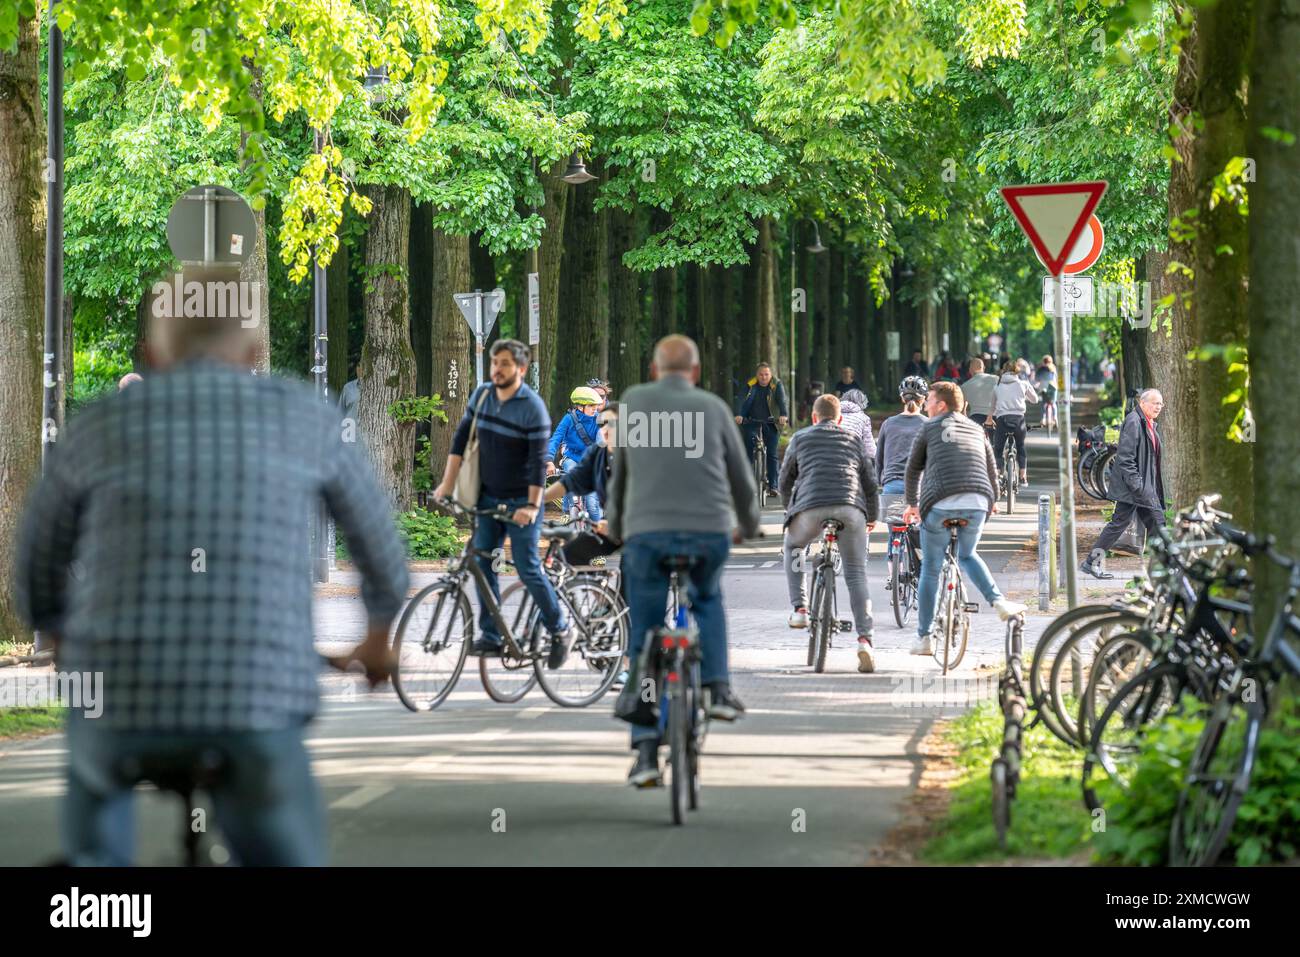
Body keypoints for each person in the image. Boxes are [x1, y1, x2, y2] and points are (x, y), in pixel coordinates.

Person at [15, 266, 410, 866]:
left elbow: (38, 558)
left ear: (150, 354)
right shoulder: (307, 418)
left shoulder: (97, 425)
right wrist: (378, 639)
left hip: (117, 696)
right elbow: (381, 550)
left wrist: (60, 634)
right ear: (253, 352)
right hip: (257, 696)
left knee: (96, 821)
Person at [607, 335, 760, 787]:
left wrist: (617, 527)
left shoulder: (633, 402)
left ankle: (647, 751)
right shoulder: (713, 408)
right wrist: (748, 524)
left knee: (646, 636)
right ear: (694, 373)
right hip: (708, 533)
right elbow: (742, 480)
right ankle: (716, 688)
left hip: (646, 536)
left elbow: (621, 477)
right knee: (707, 597)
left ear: (654, 370)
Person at [433, 339, 571, 665]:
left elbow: (538, 462)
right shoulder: (482, 395)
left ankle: (559, 627)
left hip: (523, 499)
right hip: (489, 496)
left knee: (527, 566)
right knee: (484, 563)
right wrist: (447, 484)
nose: (498, 369)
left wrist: (533, 507)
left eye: (506, 363)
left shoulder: (531, 407)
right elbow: (460, 440)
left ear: (521, 369)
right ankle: (492, 636)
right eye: (495, 362)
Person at [901, 381, 1026, 655]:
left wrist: (912, 505)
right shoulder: (976, 428)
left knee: (931, 570)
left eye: (929, 400)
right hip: (977, 500)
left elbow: (912, 470)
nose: (925, 405)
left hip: (940, 501)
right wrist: (991, 500)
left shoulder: (929, 427)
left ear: (941, 405)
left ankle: (924, 638)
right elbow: (992, 469)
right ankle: (999, 602)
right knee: (968, 555)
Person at [780, 394, 880, 673]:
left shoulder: (800, 438)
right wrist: (872, 517)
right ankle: (864, 640)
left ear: (814, 417)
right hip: (850, 509)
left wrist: (791, 510)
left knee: (794, 547)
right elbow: (870, 483)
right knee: (856, 574)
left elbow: (784, 478)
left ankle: (800, 608)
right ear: (839, 419)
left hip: (810, 509)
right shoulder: (854, 440)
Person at [1081, 389, 1167, 579]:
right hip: (1135, 489)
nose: (1158, 407)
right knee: (1147, 525)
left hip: (1142, 488)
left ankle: (1160, 570)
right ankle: (1162, 571)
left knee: (1156, 525)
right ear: (1143, 403)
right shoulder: (1134, 421)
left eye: (1161, 404)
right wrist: (1138, 486)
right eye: (1155, 403)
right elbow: (1125, 458)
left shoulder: (1148, 423)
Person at [543, 404, 618, 568]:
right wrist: (535, 501)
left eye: (612, 424)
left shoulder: (636, 453)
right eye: (602, 424)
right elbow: (570, 482)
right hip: (614, 526)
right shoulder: (598, 453)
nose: (606, 429)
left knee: (633, 574)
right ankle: (586, 589)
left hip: (640, 525)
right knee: (565, 558)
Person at [545, 385, 604, 521]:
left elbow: (602, 444)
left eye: (596, 405)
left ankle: (598, 537)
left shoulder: (599, 420)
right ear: (580, 406)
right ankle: (568, 510)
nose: (595, 408)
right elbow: (555, 439)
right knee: (571, 472)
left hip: (591, 461)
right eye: (591, 406)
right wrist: (548, 460)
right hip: (572, 458)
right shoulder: (568, 419)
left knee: (592, 506)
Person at [735, 361, 789, 497]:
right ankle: (745, 484)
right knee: (748, 452)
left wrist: (783, 415)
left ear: (771, 375)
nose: (764, 377)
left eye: (766, 374)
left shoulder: (776, 385)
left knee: (772, 454)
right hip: (751, 422)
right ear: (757, 375)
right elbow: (741, 399)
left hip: (771, 423)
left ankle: (773, 486)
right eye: (761, 374)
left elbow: (782, 401)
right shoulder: (750, 384)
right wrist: (739, 414)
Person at [991, 360, 1040, 486]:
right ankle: (1023, 477)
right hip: (1019, 421)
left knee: (998, 449)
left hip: (1002, 420)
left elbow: (992, 407)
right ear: (1017, 371)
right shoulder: (1023, 384)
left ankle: (998, 475)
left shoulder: (997, 386)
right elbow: (1034, 400)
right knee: (1021, 446)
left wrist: (988, 419)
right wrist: (1025, 392)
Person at [837, 387, 876, 461]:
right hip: (851, 456)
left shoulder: (834, 414)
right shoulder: (864, 418)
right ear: (863, 402)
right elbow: (869, 446)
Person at [961, 357, 998, 427]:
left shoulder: (964, 386)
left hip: (976, 420)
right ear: (983, 368)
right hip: (995, 418)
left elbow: (962, 410)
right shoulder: (996, 379)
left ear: (970, 370)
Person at [1034, 355, 1058, 431]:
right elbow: (1057, 378)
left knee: (1044, 403)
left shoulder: (1041, 368)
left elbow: (1037, 378)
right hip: (1053, 387)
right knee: (1053, 403)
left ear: (1043, 361)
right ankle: (1055, 418)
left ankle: (1043, 419)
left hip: (1044, 387)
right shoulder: (1053, 368)